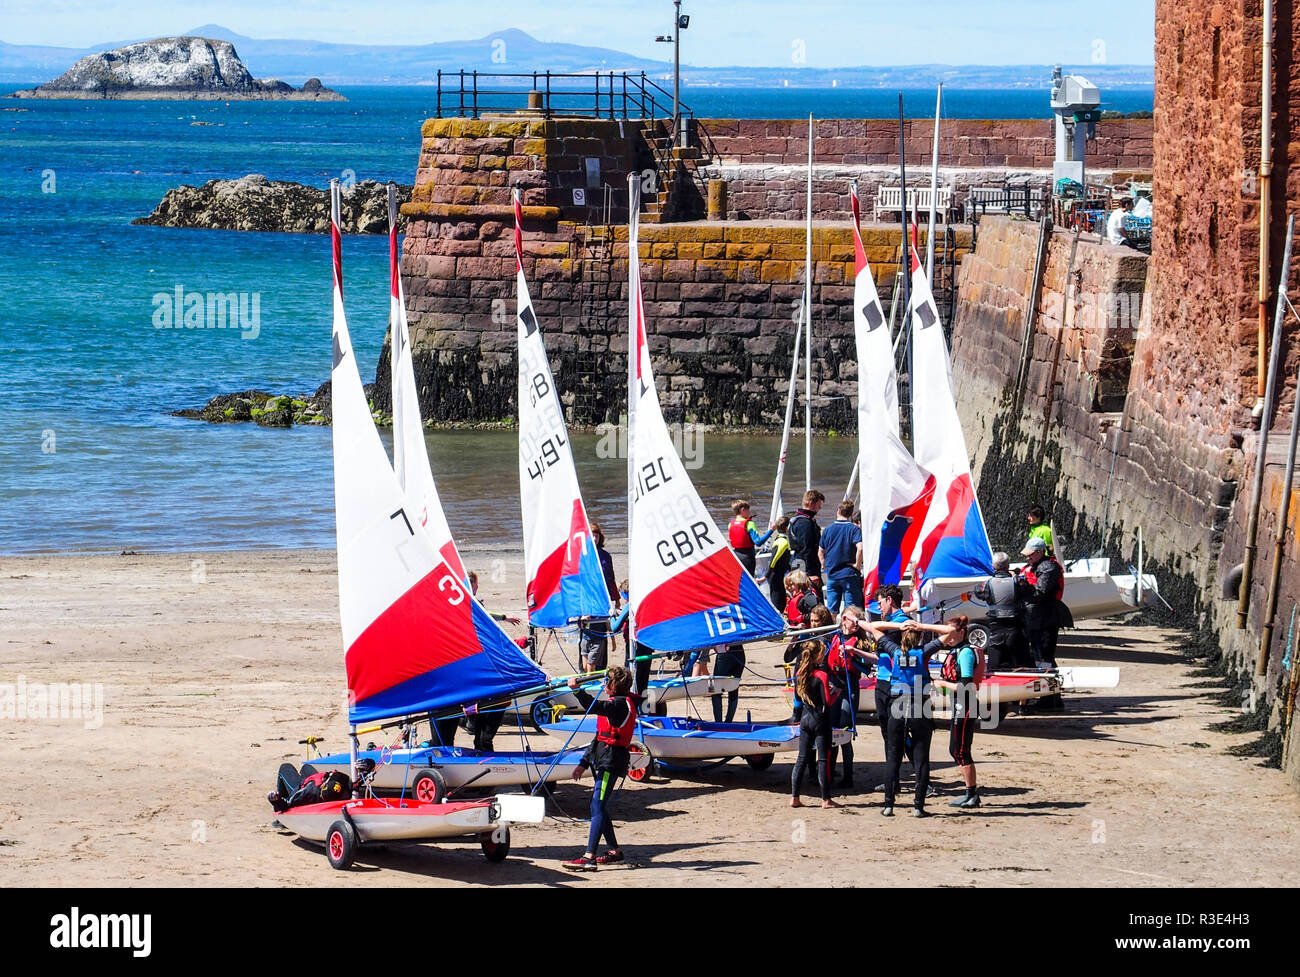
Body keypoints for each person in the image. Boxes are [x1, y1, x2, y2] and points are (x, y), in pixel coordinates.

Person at [561, 666, 642, 871]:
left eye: (607, 682)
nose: (604, 685)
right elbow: (599, 737)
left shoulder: (620, 704)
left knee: (596, 805)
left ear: (614, 686)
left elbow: (594, 706)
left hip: (612, 762)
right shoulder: (616, 703)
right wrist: (583, 763)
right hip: (603, 758)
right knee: (600, 806)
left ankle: (589, 857)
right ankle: (614, 851)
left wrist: (577, 690)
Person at [861, 619, 938, 817]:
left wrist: (898, 626)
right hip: (920, 705)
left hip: (897, 704)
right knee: (921, 757)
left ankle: (888, 806)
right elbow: (951, 630)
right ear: (919, 637)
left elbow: (873, 627)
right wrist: (922, 626)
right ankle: (918, 807)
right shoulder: (924, 652)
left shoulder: (895, 651)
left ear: (903, 637)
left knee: (893, 755)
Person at [919, 616, 986, 809]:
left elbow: (966, 685)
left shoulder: (965, 653)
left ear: (961, 632)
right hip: (960, 704)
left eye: (950, 632)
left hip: (965, 705)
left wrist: (941, 684)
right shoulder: (958, 651)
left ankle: (971, 794)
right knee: (958, 749)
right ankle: (970, 792)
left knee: (960, 750)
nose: (946, 636)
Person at [1018, 537, 1071, 711]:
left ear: (1040, 552)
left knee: (1045, 659)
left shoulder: (1049, 567)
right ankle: (1052, 697)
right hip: (1038, 618)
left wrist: (1023, 584)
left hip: (1047, 619)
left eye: (1030, 555)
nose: (1028, 558)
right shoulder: (1038, 566)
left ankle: (1051, 700)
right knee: (1040, 657)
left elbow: (1040, 592)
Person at [826, 604, 875, 788]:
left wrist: (852, 655)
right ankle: (828, 772)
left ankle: (848, 777)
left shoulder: (861, 642)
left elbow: (867, 669)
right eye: (852, 619)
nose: (855, 624)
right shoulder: (833, 637)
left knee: (844, 732)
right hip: (833, 685)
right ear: (843, 619)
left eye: (857, 621)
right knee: (831, 731)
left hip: (849, 686)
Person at [789, 640, 841, 809]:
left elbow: (798, 698)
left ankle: (794, 798)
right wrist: (837, 693)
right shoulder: (821, 675)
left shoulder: (800, 674)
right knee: (823, 760)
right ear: (817, 655)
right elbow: (826, 702)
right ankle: (826, 799)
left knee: (801, 759)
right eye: (823, 653)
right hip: (820, 720)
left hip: (805, 719)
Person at [972, 552, 1033, 671]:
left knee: (994, 667)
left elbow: (977, 591)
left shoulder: (986, 584)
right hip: (1016, 630)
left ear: (993, 567)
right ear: (1008, 566)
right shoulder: (1017, 582)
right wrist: (1015, 576)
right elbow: (1030, 591)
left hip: (996, 632)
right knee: (1021, 666)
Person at [578, 524, 620, 674]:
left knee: (602, 632)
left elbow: (611, 579)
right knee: (586, 632)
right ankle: (584, 669)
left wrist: (616, 599)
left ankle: (600, 668)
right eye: (592, 535)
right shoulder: (582, 556)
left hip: (603, 601)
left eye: (596, 535)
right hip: (587, 600)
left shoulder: (605, 556)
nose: (594, 538)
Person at [785, 604, 833, 723]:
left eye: (816, 621)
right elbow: (787, 658)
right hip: (800, 677)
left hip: (814, 680)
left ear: (824, 621)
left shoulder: (826, 639)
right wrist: (794, 640)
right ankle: (796, 716)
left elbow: (823, 664)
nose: (813, 624)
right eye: (811, 621)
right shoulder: (807, 637)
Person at [818, 500, 864, 614]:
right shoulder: (854, 529)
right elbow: (860, 548)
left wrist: (825, 565)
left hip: (833, 574)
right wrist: (857, 565)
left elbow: (820, 552)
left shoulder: (828, 530)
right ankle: (851, 631)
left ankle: (832, 630)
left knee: (831, 610)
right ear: (850, 513)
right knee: (852, 610)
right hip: (849, 574)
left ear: (838, 511)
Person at [788, 490, 826, 596]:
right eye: (818, 506)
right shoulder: (805, 523)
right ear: (811, 503)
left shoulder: (795, 520)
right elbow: (807, 549)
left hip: (797, 563)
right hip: (805, 567)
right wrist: (811, 574)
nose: (819, 509)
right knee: (811, 598)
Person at [728, 499, 774, 576]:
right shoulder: (749, 524)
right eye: (748, 510)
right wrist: (771, 530)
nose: (749, 513)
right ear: (743, 510)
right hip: (748, 557)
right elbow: (758, 542)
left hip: (736, 555)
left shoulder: (730, 524)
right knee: (750, 578)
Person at [758, 515, 793, 609]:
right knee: (778, 603)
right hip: (774, 576)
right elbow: (773, 561)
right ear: (787, 528)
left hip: (778, 575)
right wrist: (764, 577)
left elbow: (785, 559)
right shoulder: (782, 542)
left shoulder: (780, 539)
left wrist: (791, 571)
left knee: (781, 600)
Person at [711, 642, 746, 723]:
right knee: (733, 689)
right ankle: (728, 721)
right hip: (740, 654)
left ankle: (718, 723)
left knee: (714, 689)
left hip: (725, 653)